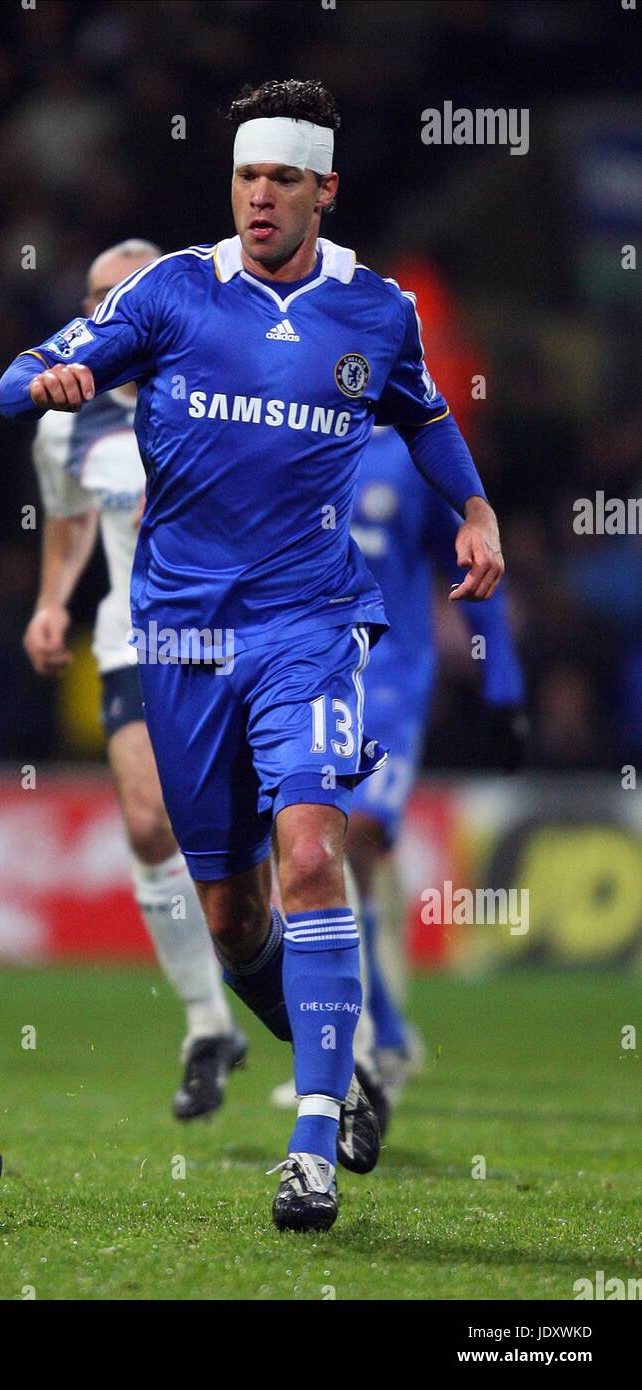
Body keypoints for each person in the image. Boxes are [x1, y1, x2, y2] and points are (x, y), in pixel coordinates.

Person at [0, 78, 505, 1233]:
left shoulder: (376, 311)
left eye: (282, 178)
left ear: (326, 187)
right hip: (177, 637)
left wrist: (473, 511)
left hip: (309, 625)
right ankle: (343, 1066)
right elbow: (11, 378)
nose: (260, 195)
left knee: (314, 854)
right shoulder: (169, 290)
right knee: (230, 914)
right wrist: (55, 380)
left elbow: (423, 415)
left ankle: (312, 1141)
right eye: (245, 176)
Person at [25, 238, 246, 1120]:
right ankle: (204, 1026)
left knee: (276, 846)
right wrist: (51, 602)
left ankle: (342, 1046)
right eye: (97, 295)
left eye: (129, 292)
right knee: (149, 821)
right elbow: (71, 518)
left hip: (243, 639)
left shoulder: (222, 390)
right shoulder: (64, 418)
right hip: (134, 639)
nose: (110, 308)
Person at [272, 426, 527, 1117]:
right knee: (307, 844)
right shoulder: (292, 432)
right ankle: (377, 1034)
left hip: (388, 679)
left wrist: (502, 683)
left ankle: (371, 1040)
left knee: (358, 838)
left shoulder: (411, 458)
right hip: (308, 671)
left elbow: (477, 564)